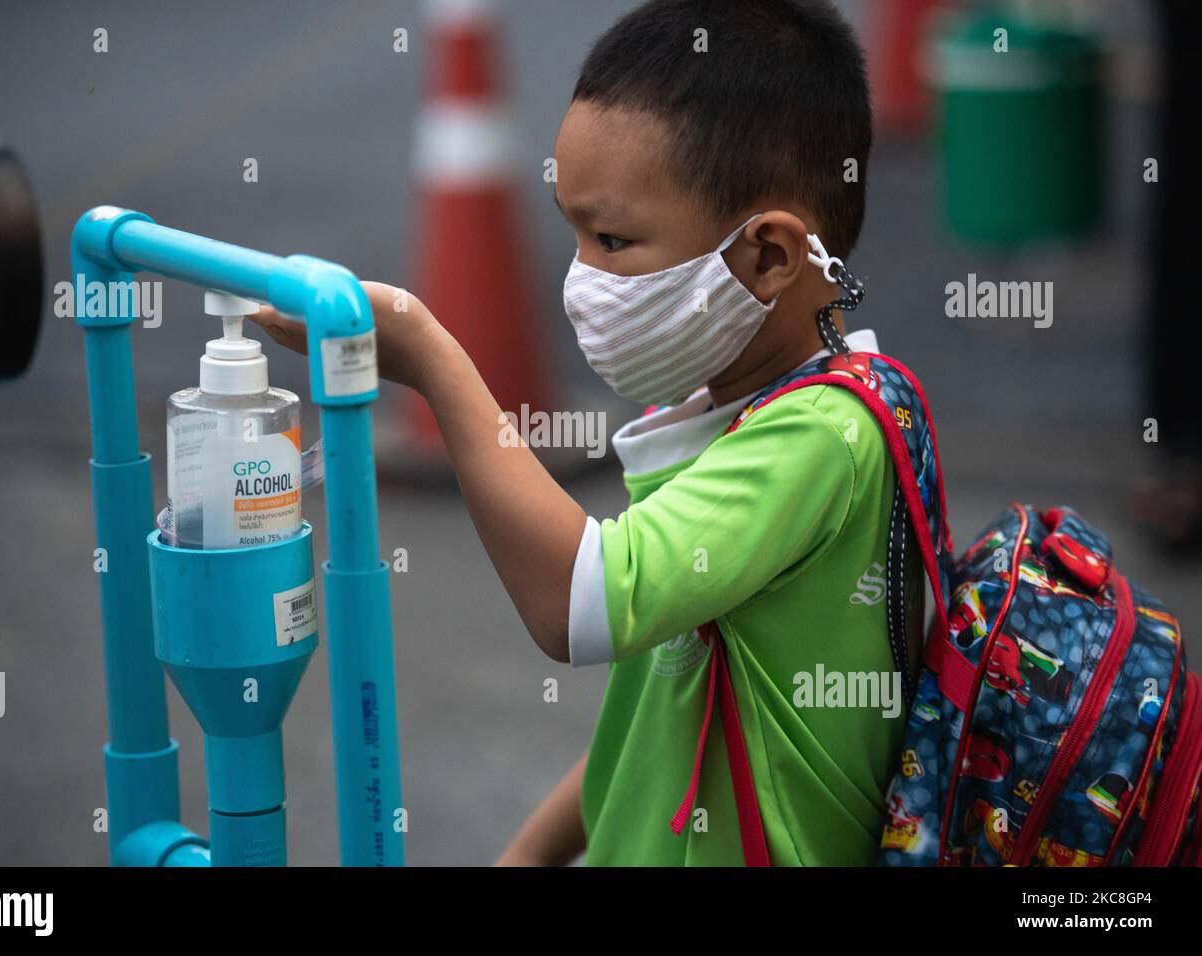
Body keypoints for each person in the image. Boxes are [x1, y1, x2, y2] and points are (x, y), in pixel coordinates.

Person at [253, 0, 922, 866]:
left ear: (768, 257)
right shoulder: (736, 404)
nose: (581, 281)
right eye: (574, 229)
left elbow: (579, 606)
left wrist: (430, 353)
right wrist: (532, 853)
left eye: (612, 238)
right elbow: (661, 703)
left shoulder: (819, 441)